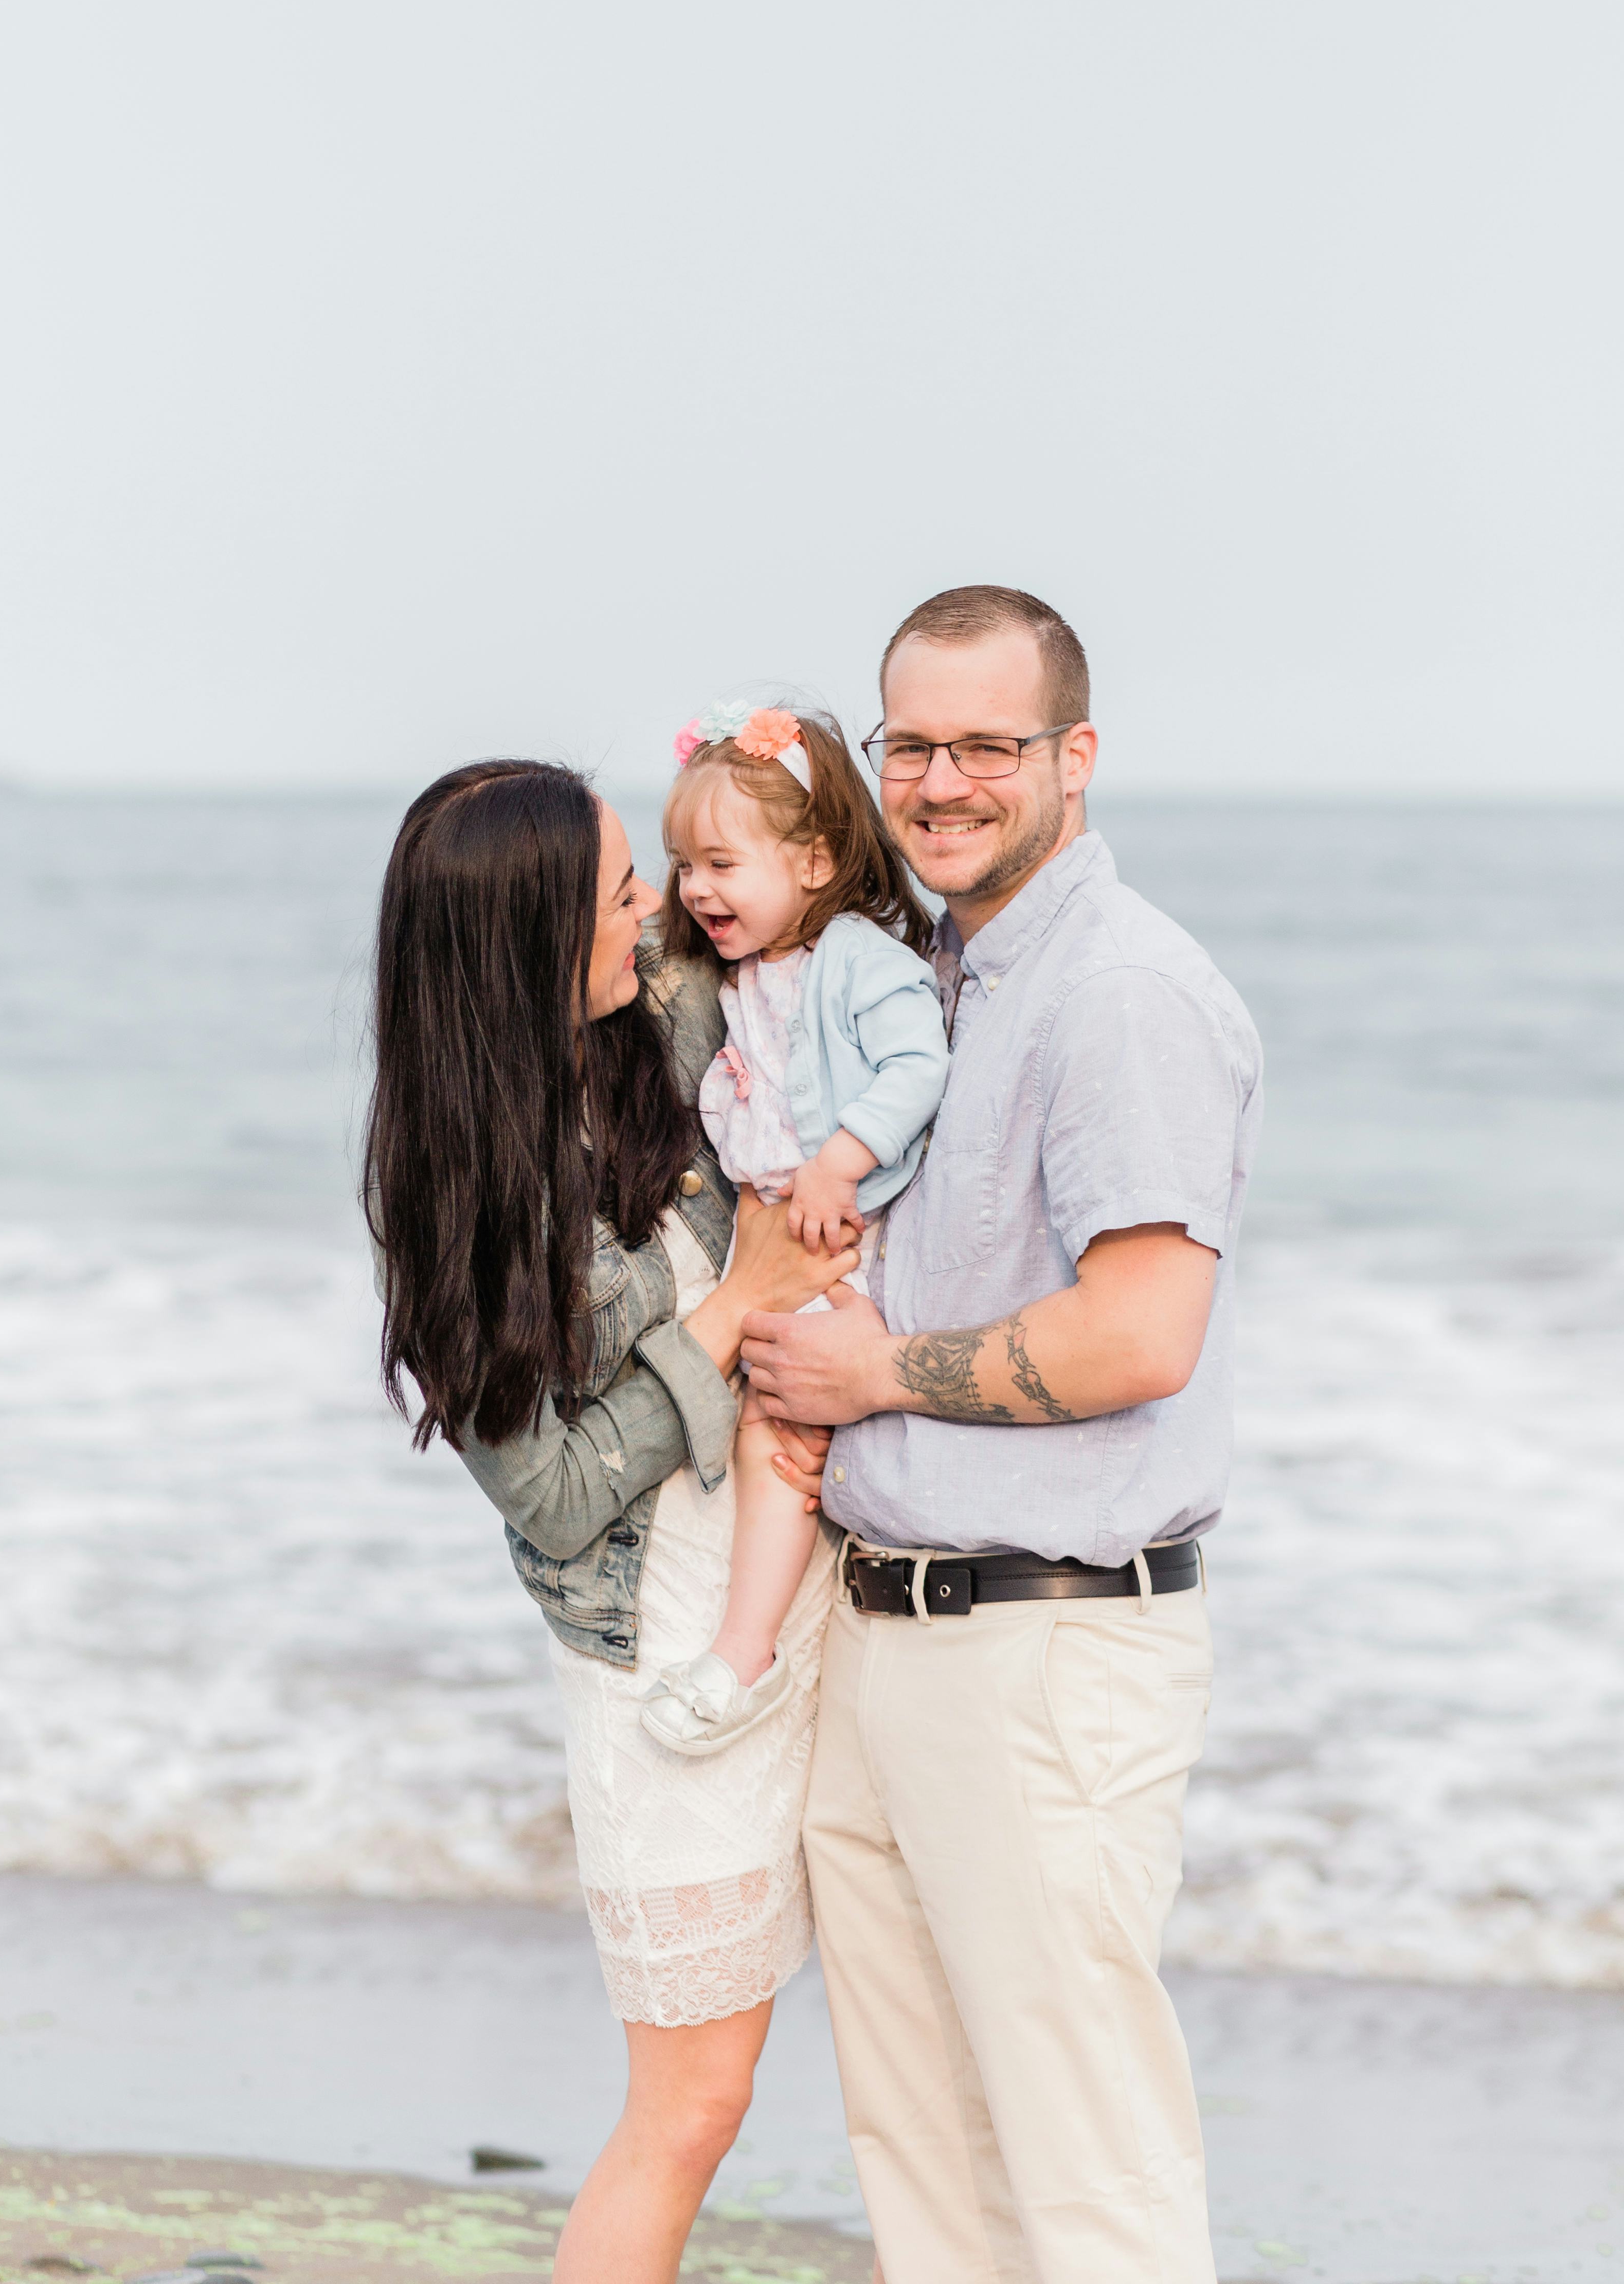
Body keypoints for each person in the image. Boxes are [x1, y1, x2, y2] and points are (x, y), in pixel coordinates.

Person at [742, 585, 1264, 2284]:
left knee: (1077, 2156)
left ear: (1074, 757)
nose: (943, 781)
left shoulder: (1117, 995)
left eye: (988, 746)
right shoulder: (926, 979)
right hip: (882, 1631)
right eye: (913, 745)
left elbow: (1137, 1332)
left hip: (1043, 1641)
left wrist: (873, 1377)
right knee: (923, 2153)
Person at [364, 759, 856, 2284]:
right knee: (698, 2104)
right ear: (525, 942)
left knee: (913, 2070)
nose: (657, 912)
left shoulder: (668, 1029)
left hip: (829, 1591)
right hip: (667, 1665)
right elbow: (564, 1502)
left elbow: (827, 910)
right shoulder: (459, 1192)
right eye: (619, 893)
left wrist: (794, 765)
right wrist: (731, 1315)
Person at [640, 699, 947, 1754]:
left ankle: (744, 1650)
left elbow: (919, 1066)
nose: (695, 890)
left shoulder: (858, 959)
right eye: (684, 865)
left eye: (721, 863)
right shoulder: (749, 979)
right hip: (780, 1239)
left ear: (815, 862)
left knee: (778, 1430)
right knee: (770, 1427)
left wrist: (838, 1161)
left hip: (836, 1235)